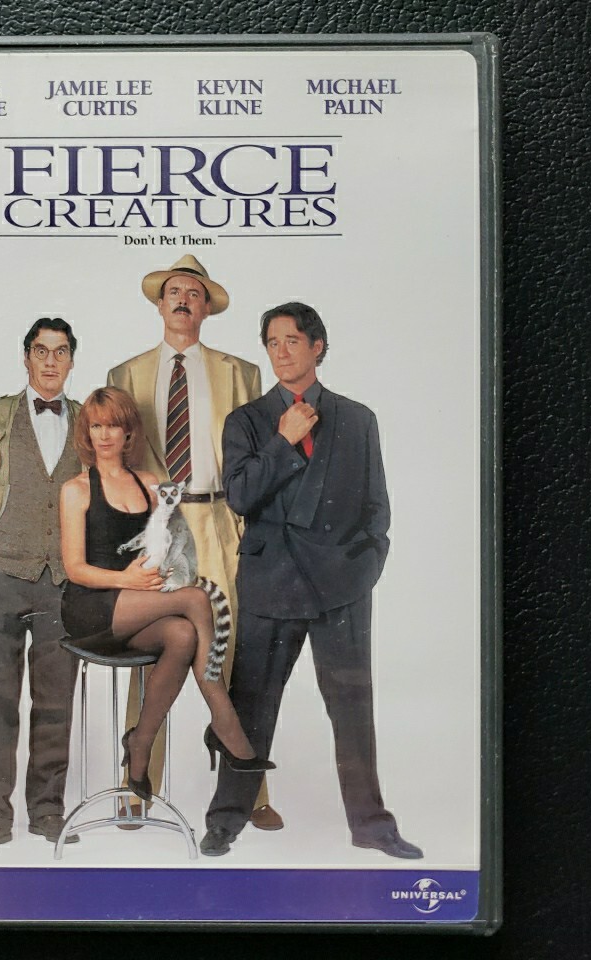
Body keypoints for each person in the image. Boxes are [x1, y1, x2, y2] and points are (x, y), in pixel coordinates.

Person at [200, 302, 423, 859]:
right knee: (250, 706)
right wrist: (283, 440)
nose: (281, 352)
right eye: (272, 343)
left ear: (317, 347)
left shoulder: (358, 418)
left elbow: (376, 507)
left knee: (352, 707)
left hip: (341, 586)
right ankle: (226, 820)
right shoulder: (248, 421)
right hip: (270, 581)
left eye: (292, 341)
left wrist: (365, 567)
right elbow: (241, 497)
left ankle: (371, 826)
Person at [107, 255, 282, 831]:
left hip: (220, 519)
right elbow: (114, 463)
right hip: (159, 528)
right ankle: (137, 788)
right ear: (160, 305)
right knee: (155, 655)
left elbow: (259, 458)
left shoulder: (240, 373)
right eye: (174, 292)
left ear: (207, 308)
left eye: (194, 293)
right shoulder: (126, 374)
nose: (183, 300)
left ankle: (249, 795)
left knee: (233, 652)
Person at [60, 387, 274, 802]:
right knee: (195, 599)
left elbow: (170, 542)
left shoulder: (149, 484)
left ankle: (140, 742)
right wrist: (126, 579)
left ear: (128, 432)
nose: (104, 435)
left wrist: (161, 575)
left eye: (113, 426)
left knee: (182, 634)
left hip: (138, 605)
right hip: (91, 608)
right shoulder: (77, 489)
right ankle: (225, 722)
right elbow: (75, 568)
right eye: (96, 426)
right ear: (87, 432)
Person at [0, 317, 82, 854]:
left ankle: (48, 812)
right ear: (26, 358)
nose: (50, 361)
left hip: (61, 584)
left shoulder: (87, 422)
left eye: (60, 351)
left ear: (71, 361)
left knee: (56, 702)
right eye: (41, 351)